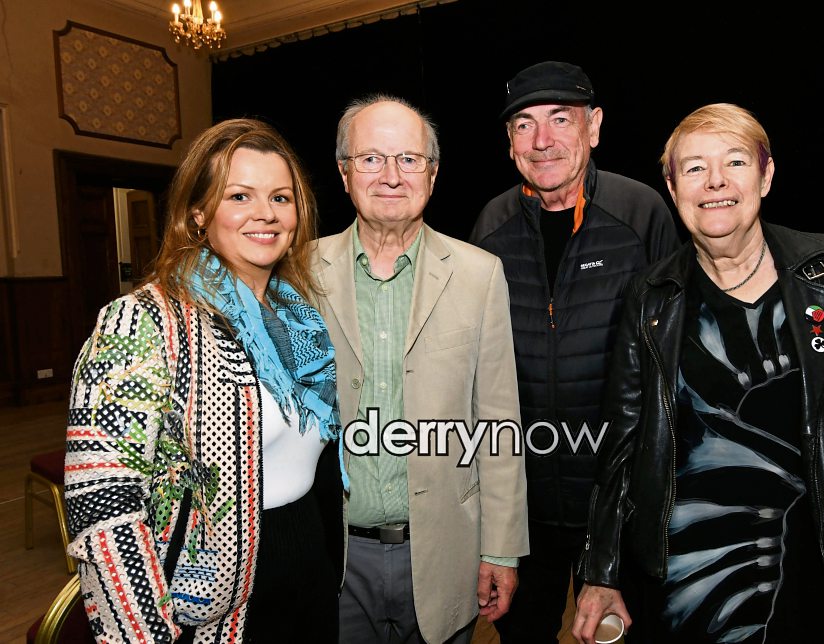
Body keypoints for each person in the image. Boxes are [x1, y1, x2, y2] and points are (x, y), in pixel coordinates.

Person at [572, 103, 824, 644]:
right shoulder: (650, 295)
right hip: (682, 575)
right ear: (671, 185)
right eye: (693, 168)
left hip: (814, 567)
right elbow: (622, 444)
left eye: (734, 162)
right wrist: (600, 571)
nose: (715, 182)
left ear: (766, 174)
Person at [64, 118, 344, 642]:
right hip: (213, 606)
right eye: (240, 195)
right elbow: (103, 508)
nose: (266, 213)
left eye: (281, 197)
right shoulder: (144, 320)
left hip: (311, 571)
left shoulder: (297, 318)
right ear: (198, 215)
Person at [468, 60, 679, 642]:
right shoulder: (489, 225)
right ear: (508, 142)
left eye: (561, 119)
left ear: (595, 127)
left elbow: (671, 367)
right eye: (524, 124)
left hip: (621, 506)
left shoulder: (643, 214)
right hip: (524, 509)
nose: (543, 140)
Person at [307, 94, 528, 644]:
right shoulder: (298, 272)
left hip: (443, 553)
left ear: (432, 173)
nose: (390, 176)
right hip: (333, 556)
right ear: (343, 173)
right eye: (371, 159)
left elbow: (499, 423)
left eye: (408, 159)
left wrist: (500, 548)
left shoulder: (480, 275)